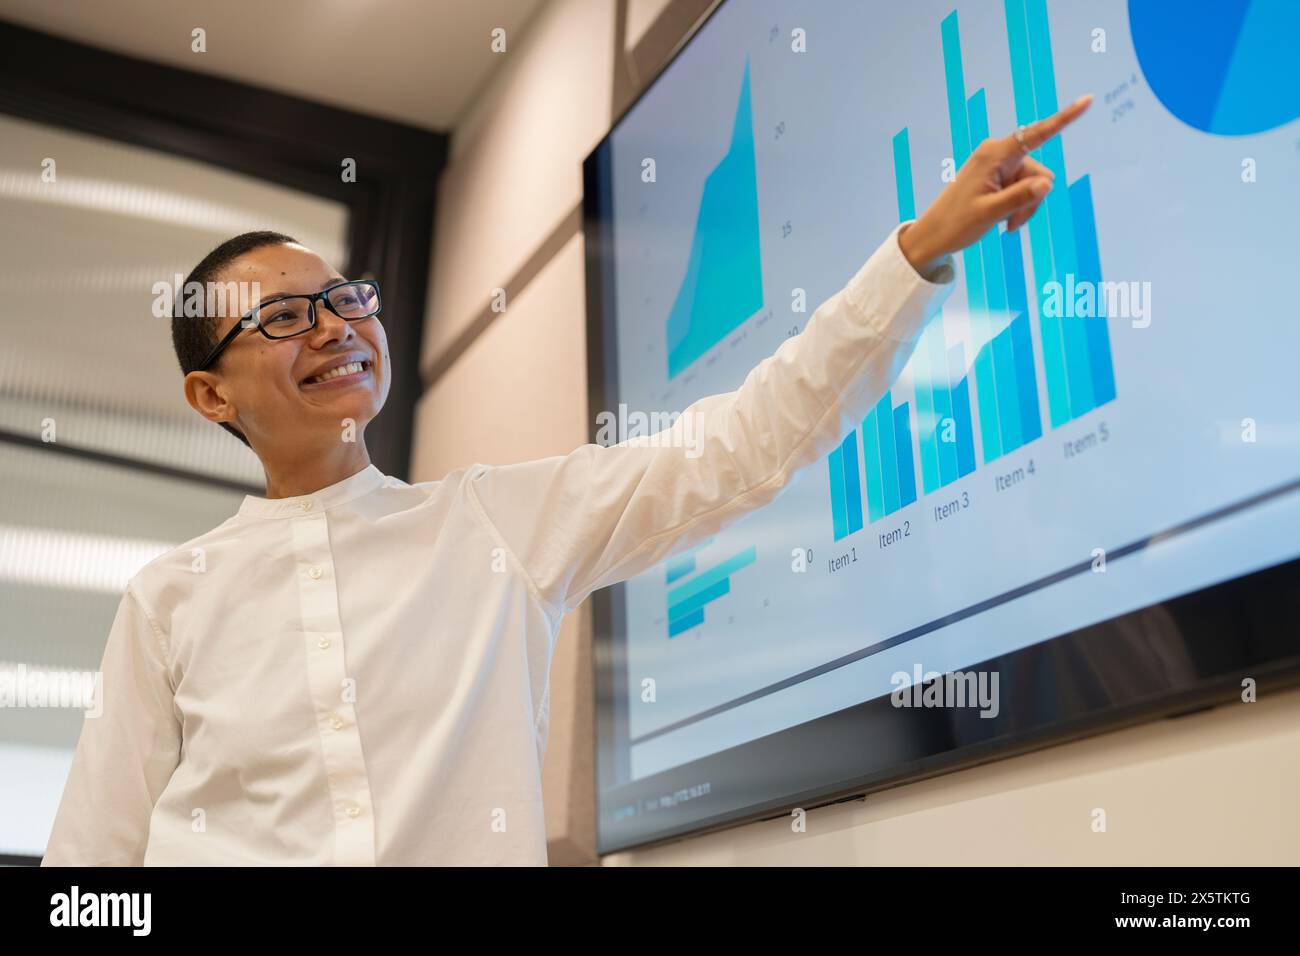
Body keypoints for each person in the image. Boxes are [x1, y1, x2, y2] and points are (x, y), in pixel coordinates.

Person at [41, 96, 1092, 866]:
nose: (333, 327)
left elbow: (741, 445)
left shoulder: (494, 521)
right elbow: (93, 871)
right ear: (211, 397)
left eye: (345, 297)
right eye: (280, 317)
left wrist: (912, 254)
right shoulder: (169, 596)